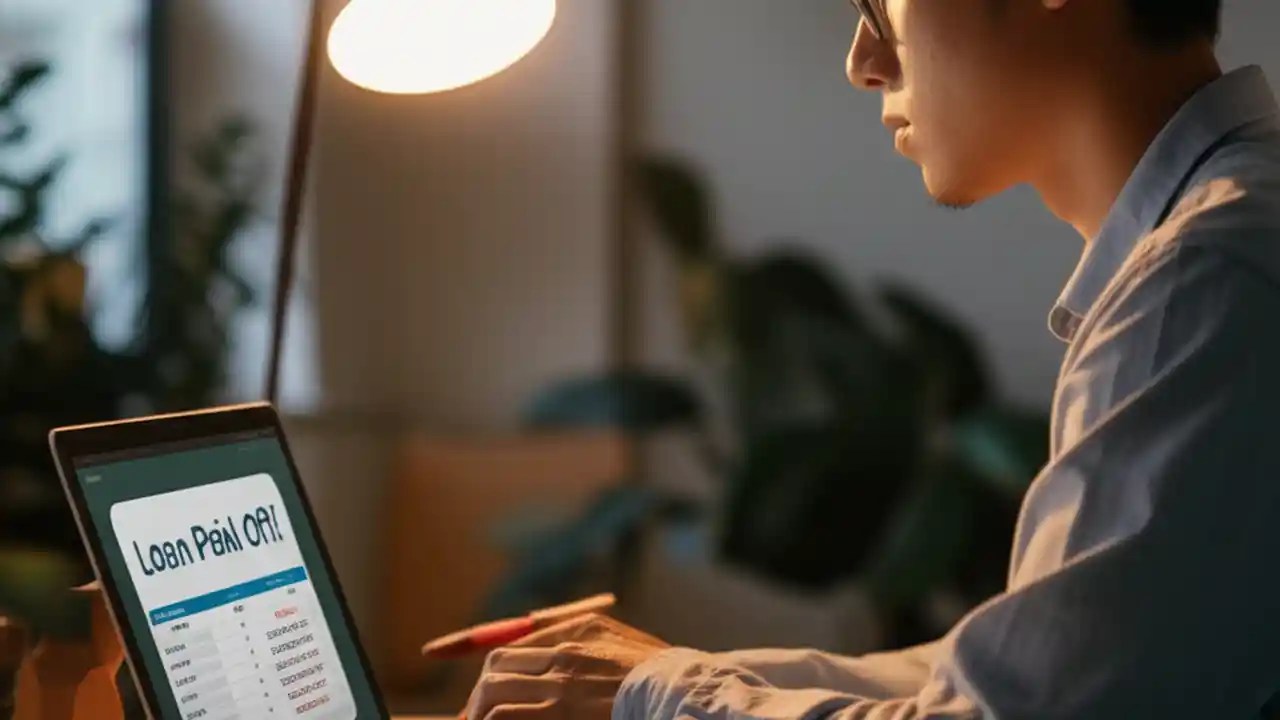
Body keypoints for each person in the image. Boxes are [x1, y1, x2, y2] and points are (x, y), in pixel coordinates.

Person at [465, 0, 1280, 717]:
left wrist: (660, 696)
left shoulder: (1205, 282)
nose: (863, 62)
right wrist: (653, 680)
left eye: (878, 1)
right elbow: (1012, 676)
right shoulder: (1219, 246)